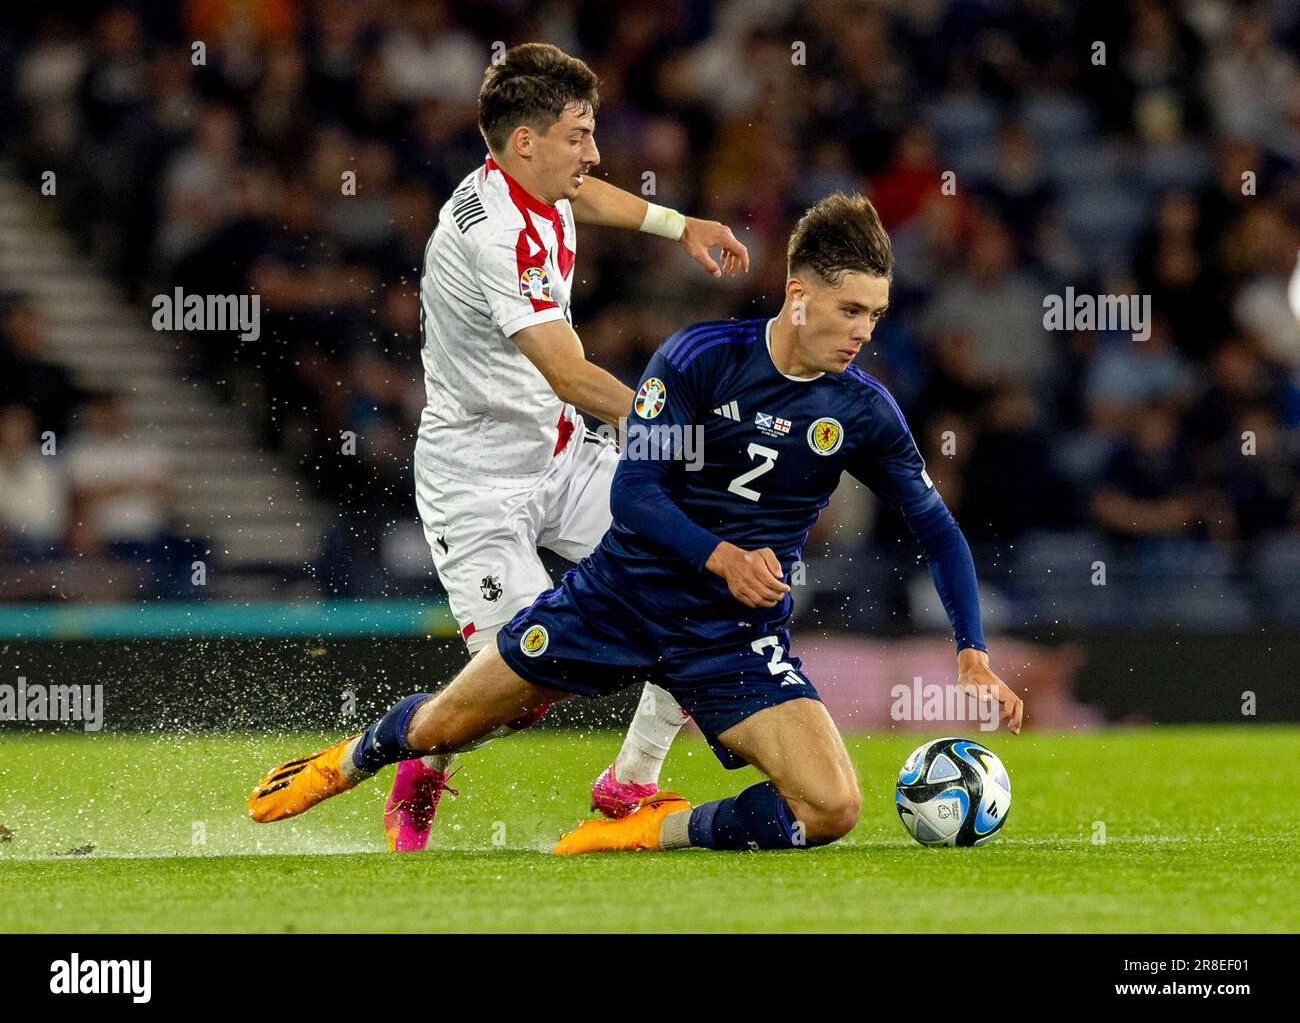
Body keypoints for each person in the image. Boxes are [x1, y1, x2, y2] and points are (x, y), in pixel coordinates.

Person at [249, 192, 1023, 854]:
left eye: (876, 314)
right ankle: (347, 761)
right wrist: (722, 555)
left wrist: (972, 650)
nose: (862, 332)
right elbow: (635, 496)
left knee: (831, 809)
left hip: (730, 637)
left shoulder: (863, 410)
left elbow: (938, 530)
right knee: (446, 727)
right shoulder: (698, 359)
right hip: (619, 597)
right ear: (797, 296)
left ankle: (645, 828)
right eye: (850, 309)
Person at [386, 43, 750, 851]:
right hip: (478, 485)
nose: (594, 153)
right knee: (521, 688)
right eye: (580, 136)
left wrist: (679, 223)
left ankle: (630, 785)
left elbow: (583, 200)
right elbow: (569, 373)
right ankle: (422, 758)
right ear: (526, 142)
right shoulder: (492, 236)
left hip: (563, 458)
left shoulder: (540, 189)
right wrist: (682, 433)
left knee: (707, 586)